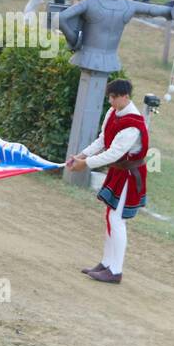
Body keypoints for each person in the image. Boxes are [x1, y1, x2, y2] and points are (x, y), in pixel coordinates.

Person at [66, 78, 148, 285]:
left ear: (125, 97)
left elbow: (113, 153)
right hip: (118, 172)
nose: (110, 101)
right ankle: (106, 264)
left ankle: (115, 270)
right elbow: (103, 140)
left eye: (114, 97)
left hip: (129, 176)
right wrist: (82, 154)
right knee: (110, 217)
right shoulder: (113, 112)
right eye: (109, 97)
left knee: (117, 220)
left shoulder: (133, 125)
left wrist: (84, 163)